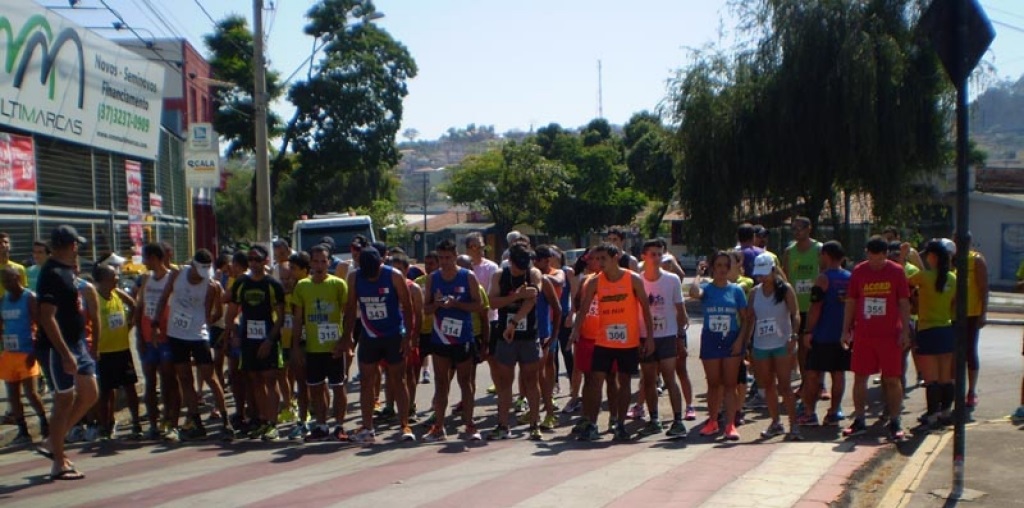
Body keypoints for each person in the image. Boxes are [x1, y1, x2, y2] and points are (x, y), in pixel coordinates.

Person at [571, 243, 655, 442]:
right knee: (595, 381)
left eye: (603, 259)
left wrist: (649, 337)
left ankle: (619, 423)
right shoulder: (594, 282)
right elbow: (583, 309)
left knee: (623, 382)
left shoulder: (632, 279)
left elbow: (645, 307)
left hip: (627, 342)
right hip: (603, 341)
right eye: (596, 259)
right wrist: (575, 330)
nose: (599, 263)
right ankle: (592, 423)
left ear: (615, 257)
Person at [36, 225, 97, 480]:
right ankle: (58, 462)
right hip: (59, 348)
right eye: (76, 244)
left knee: (90, 393)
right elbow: (47, 318)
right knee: (63, 401)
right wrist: (64, 354)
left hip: (78, 342)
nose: (78, 249)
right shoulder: (50, 273)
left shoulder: (68, 270)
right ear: (68, 245)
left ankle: (54, 441)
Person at [342, 246, 417, 444]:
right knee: (366, 381)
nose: (372, 278)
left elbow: (408, 308)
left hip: (393, 334)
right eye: (368, 274)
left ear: (381, 264)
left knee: (397, 379)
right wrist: (347, 336)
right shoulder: (354, 277)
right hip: (369, 335)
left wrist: (408, 337)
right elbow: (350, 309)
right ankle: (368, 427)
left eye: (374, 273)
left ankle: (404, 424)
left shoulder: (394, 275)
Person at [841, 236, 912, 442]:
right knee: (860, 377)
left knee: (892, 379)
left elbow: (904, 303)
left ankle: (895, 419)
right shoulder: (859, 271)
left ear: (885, 255)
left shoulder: (896, 271)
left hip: (890, 334)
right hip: (864, 334)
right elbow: (851, 301)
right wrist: (845, 330)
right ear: (867, 254)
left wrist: (905, 331)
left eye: (879, 259)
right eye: (871, 259)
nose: (875, 263)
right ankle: (859, 419)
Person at [154, 249, 229, 440]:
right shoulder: (178, 274)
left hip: (198, 335)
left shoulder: (211, 285)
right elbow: (164, 298)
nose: (201, 276)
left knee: (210, 377)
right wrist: (156, 322)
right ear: (193, 265)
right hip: (176, 333)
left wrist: (205, 322)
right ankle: (195, 421)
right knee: (184, 377)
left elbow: (218, 312)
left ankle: (226, 420)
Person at [422, 240, 483, 441]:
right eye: (441, 258)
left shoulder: (468, 276)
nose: (444, 262)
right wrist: (438, 304)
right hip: (440, 339)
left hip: (463, 337)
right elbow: (426, 309)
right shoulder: (433, 278)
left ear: (455, 256)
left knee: (465, 382)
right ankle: (439, 426)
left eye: (448, 258)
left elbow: (478, 305)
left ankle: (469, 424)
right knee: (441, 383)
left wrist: (456, 303)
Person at [225, 245, 286, 441]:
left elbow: (280, 317)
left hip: (267, 339)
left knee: (270, 378)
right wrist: (234, 333)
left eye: (257, 259)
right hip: (247, 340)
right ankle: (261, 419)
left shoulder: (272, 285)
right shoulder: (241, 283)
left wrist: (269, 340)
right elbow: (232, 313)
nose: (253, 263)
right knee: (255, 380)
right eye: (250, 259)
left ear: (266, 261)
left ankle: (272, 423)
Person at [689, 251, 750, 440]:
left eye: (725, 265)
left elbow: (746, 318)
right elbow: (693, 293)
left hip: (731, 340)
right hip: (710, 339)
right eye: (718, 266)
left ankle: (730, 424)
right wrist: (699, 273)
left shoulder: (736, 290)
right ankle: (712, 421)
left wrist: (740, 341)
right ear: (713, 268)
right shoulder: (707, 289)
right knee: (714, 384)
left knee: (731, 385)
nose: (722, 269)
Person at [291, 246, 349, 441]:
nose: (319, 265)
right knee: (315, 387)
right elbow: (298, 319)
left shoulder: (338, 284)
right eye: (315, 262)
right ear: (310, 264)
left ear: (329, 263)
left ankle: (340, 425)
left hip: (334, 347)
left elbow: (348, 314)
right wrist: (296, 346)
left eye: (323, 261)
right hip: (313, 347)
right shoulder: (302, 286)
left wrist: (345, 342)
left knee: (338, 387)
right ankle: (322, 425)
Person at [488, 243, 544, 440]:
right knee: (504, 381)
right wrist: (516, 295)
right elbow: (492, 302)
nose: (522, 269)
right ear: (510, 261)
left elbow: (532, 297)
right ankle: (503, 425)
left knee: (531, 379)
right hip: (505, 335)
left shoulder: (534, 273)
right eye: (518, 265)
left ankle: (535, 423)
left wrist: (514, 322)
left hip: (527, 334)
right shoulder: (499, 275)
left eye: (525, 264)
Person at [636, 239, 689, 438]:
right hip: (644, 336)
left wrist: (681, 337)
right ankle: (654, 419)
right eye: (653, 254)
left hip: (667, 335)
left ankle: (678, 420)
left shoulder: (672, 279)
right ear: (644, 256)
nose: (657, 258)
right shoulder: (637, 280)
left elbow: (680, 310)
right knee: (648, 380)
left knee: (669, 377)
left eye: (660, 254)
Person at [746, 254, 801, 441]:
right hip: (761, 345)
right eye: (758, 274)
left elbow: (795, 314)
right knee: (767, 385)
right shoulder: (754, 292)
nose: (762, 278)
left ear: (772, 270)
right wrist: (747, 343)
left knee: (785, 386)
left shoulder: (785, 289)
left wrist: (794, 335)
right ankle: (775, 422)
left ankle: (794, 425)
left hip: (781, 343)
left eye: (764, 274)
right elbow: (750, 319)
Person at [798, 241, 850, 427]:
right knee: (838, 374)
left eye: (821, 255)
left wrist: (808, 331)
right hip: (842, 335)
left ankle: (810, 413)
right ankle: (834, 411)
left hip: (822, 335)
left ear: (826, 256)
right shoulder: (849, 277)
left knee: (812, 374)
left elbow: (815, 308)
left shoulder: (823, 279)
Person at [909, 240, 956, 429]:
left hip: (928, 329)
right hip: (946, 329)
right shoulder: (953, 278)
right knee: (946, 376)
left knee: (931, 378)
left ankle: (932, 415)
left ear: (933, 257)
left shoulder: (924, 276)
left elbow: (907, 282)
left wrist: (909, 257)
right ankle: (945, 412)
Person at [91, 264, 142, 440]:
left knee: (129, 387)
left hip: (122, 349)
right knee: (105, 392)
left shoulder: (117, 293)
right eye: (114, 276)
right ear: (103, 279)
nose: (117, 278)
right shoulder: (95, 298)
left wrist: (129, 325)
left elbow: (133, 305)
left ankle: (136, 423)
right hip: (104, 351)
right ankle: (105, 425)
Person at [135, 243, 179, 440]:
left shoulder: (173, 277)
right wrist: (138, 336)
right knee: (150, 381)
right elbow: (140, 306)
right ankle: (153, 423)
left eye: (146, 257)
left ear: (154, 257)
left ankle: (171, 420)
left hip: (168, 337)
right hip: (147, 337)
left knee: (169, 379)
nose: (144, 262)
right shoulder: (146, 279)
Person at [0, 266, 48, 444]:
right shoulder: (3, 300)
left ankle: (44, 421)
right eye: (4, 281)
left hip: (27, 351)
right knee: (13, 395)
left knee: (31, 393)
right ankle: (22, 430)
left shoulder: (29, 298)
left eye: (9, 280)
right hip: (9, 353)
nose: (6, 284)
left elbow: (40, 325)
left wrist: (35, 350)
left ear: (18, 278)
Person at [959, 234, 988, 409]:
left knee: (970, 352)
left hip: (971, 313)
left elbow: (984, 288)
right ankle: (956, 391)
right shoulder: (951, 259)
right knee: (954, 355)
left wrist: (983, 313)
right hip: (953, 314)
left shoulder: (976, 260)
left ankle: (971, 390)